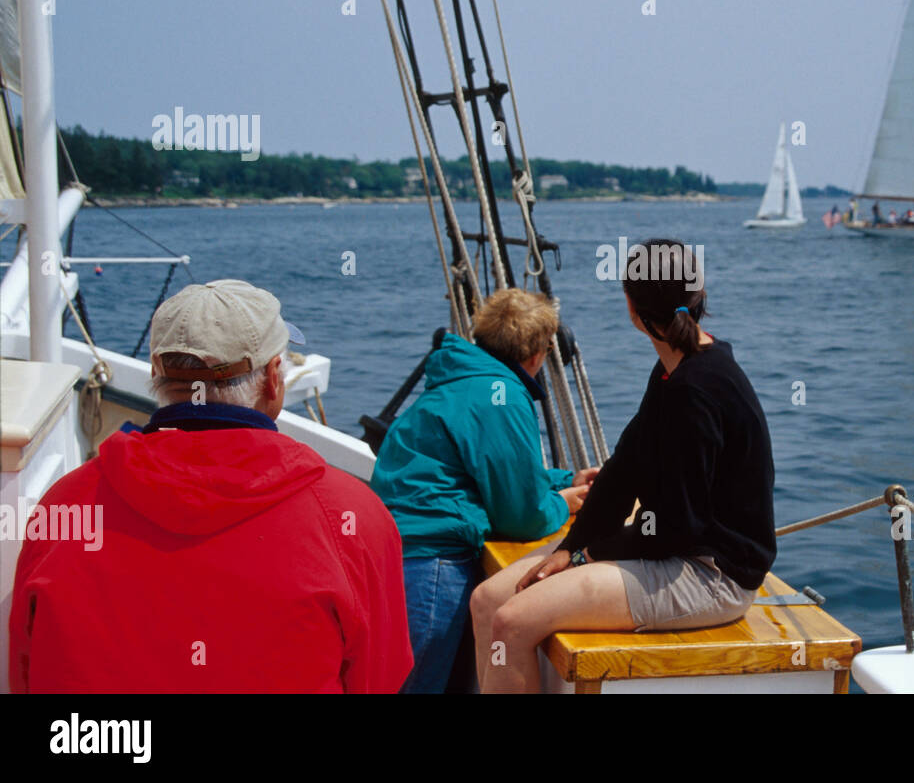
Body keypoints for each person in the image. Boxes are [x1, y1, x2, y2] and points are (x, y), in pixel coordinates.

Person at [8, 279, 412, 693]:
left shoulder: (66, 506)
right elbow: (380, 677)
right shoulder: (351, 516)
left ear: (156, 373)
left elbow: (24, 664)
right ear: (273, 379)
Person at [469, 238, 777, 694]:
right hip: (674, 548)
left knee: (512, 622)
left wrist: (585, 557)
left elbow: (677, 527)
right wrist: (571, 545)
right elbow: (624, 470)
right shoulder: (674, 370)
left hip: (712, 575)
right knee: (488, 600)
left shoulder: (697, 389)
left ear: (632, 308)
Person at [368, 288, 593, 693]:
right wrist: (563, 504)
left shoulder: (458, 378)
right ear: (537, 353)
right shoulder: (501, 396)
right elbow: (523, 517)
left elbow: (484, 469)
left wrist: (564, 481)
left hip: (394, 556)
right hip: (433, 565)